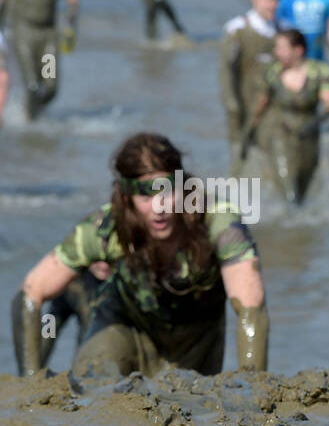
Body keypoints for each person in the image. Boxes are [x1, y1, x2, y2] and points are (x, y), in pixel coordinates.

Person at [13, 132, 268, 378]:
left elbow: (251, 307)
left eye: (167, 190)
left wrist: (254, 389)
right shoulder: (105, 230)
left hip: (196, 341)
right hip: (124, 330)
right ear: (127, 196)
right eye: (146, 193)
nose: (159, 207)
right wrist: (30, 381)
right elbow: (31, 293)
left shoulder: (217, 221)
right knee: (95, 384)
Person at [245, 28, 329, 205]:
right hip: (280, 133)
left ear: (298, 50)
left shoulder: (318, 71)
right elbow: (260, 105)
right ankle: (290, 222)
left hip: (309, 136)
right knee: (289, 191)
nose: (276, 52)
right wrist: (248, 134)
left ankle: (300, 229)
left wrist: (316, 122)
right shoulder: (273, 72)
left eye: (281, 48)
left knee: (303, 190)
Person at [219, 0, 281, 174]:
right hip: (242, 104)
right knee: (240, 157)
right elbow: (226, 71)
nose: (271, 4)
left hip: (272, 106)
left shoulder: (284, 30)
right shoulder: (237, 29)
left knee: (271, 156)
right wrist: (231, 103)